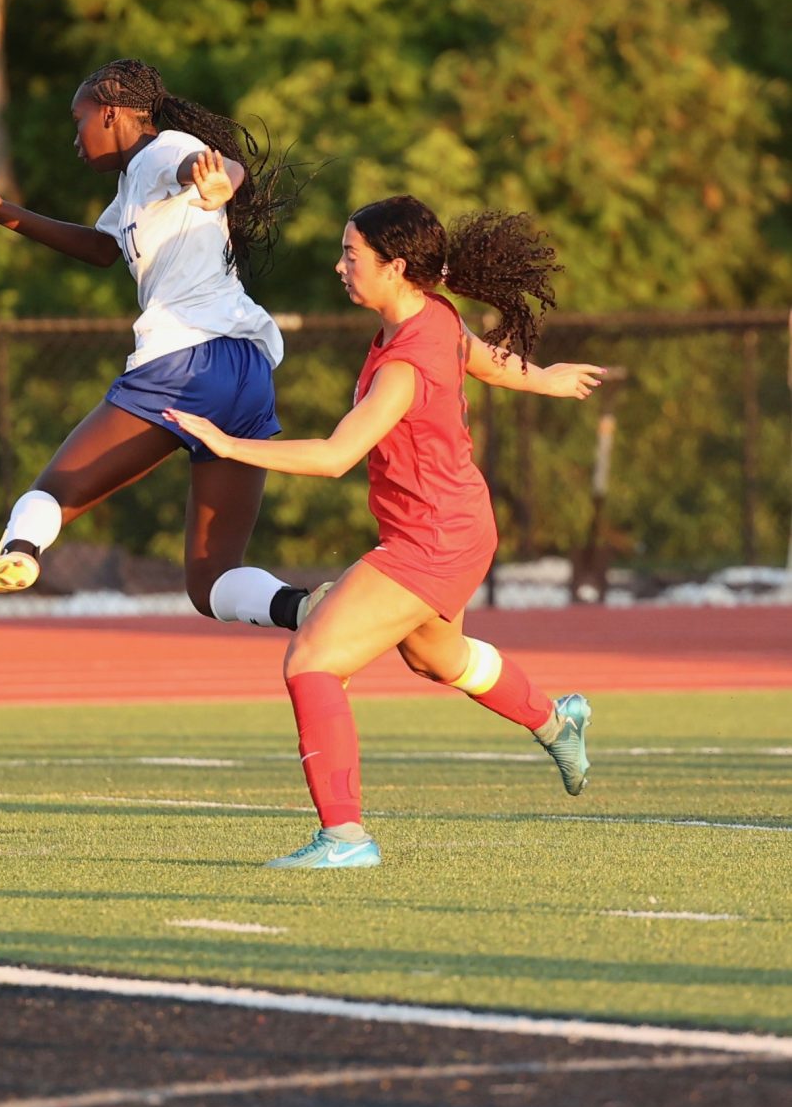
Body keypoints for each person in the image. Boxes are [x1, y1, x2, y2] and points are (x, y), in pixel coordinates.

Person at [165, 195, 605, 869]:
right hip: (451, 526)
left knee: (312, 659)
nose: (340, 266)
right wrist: (545, 378)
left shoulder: (404, 365)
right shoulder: (429, 316)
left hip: (431, 539)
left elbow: (333, 457)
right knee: (436, 660)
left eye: (351, 255)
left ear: (395, 266)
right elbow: (481, 360)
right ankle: (555, 720)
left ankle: (345, 838)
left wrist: (226, 446)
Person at [0, 57, 297, 620]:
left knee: (49, 493)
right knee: (211, 582)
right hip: (248, 372)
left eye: (80, 119)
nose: (75, 137)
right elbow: (102, 248)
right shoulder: (133, 184)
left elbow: (215, 167)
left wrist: (221, 182)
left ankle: (19, 555)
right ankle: (305, 606)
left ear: (113, 113)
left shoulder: (162, 150)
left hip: (186, 364)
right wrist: (1, 212)